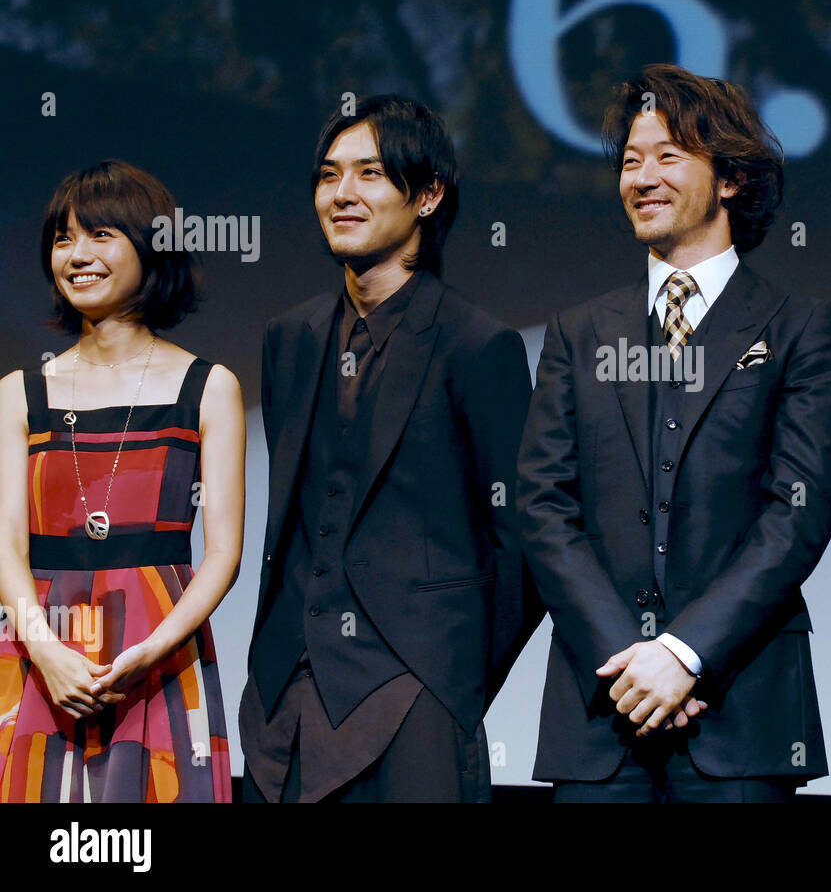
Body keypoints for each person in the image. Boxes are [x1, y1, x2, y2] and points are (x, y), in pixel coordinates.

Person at [516, 63, 831, 802]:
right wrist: (630, 660)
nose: (642, 177)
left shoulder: (800, 329)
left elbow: (796, 513)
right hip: (600, 712)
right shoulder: (578, 333)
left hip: (741, 713)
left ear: (730, 178)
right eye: (631, 161)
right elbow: (542, 506)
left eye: (668, 155)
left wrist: (685, 653)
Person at [239, 94, 540, 803]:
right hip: (284, 693)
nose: (342, 194)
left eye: (370, 173)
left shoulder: (477, 344)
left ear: (428, 194)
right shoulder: (292, 337)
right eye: (328, 175)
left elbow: (520, 543)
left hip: (415, 694)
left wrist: (450, 682)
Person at [0, 160, 243, 802]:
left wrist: (152, 649)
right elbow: (6, 548)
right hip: (38, 651)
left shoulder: (208, 388)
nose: (77, 255)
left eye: (101, 235)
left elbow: (223, 555)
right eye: (62, 238)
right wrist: (46, 650)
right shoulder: (19, 395)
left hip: (158, 653)